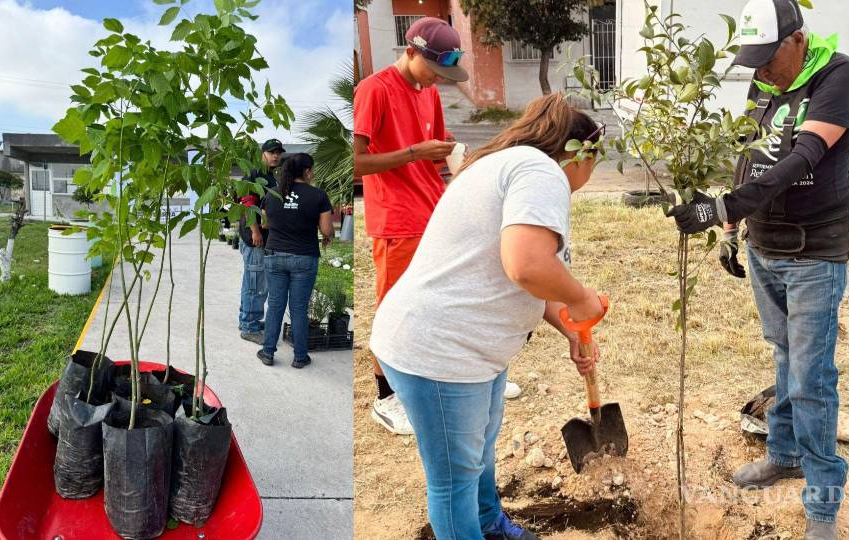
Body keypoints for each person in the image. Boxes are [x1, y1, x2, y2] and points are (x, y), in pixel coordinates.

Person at [667, 1, 849, 538]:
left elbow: (801, 159)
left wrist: (725, 206)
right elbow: (749, 154)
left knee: (812, 376)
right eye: (750, 62)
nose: (758, 72)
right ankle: (783, 454)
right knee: (783, 356)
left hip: (814, 253)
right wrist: (731, 230)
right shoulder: (765, 82)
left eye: (766, 59)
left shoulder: (837, 76)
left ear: (795, 41)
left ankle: (823, 500)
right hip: (765, 246)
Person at [370, 93, 606, 540]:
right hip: (440, 354)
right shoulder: (541, 172)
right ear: (579, 153)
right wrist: (585, 300)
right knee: (454, 480)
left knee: (479, 455)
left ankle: (488, 524)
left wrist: (570, 326)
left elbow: (522, 278)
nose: (590, 177)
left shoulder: (509, 165)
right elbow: (528, 265)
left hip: (471, 350)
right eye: (594, 164)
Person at [354, 16, 525, 436]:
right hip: (396, 216)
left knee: (450, 293)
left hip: (435, 210)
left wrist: (453, 157)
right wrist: (414, 152)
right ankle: (386, 397)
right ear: (410, 51)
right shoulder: (374, 90)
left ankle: (472, 375)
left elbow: (434, 151)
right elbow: (355, 163)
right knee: (395, 305)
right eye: (435, 69)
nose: (438, 80)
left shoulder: (427, 92)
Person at [256, 153, 334, 368]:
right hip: (304, 256)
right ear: (307, 171)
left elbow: (264, 224)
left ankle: (268, 352)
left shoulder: (271, 195)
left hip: (274, 255)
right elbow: (327, 229)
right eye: (312, 170)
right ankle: (300, 356)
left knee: (274, 305)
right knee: (299, 308)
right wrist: (328, 236)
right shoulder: (318, 196)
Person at [239, 138, 285, 345]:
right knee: (256, 284)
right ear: (262, 153)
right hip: (255, 239)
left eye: (278, 152)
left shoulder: (269, 176)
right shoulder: (254, 175)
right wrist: (255, 230)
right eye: (271, 152)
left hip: (262, 238)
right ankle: (250, 326)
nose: (276, 156)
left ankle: (247, 319)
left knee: (252, 280)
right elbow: (248, 205)